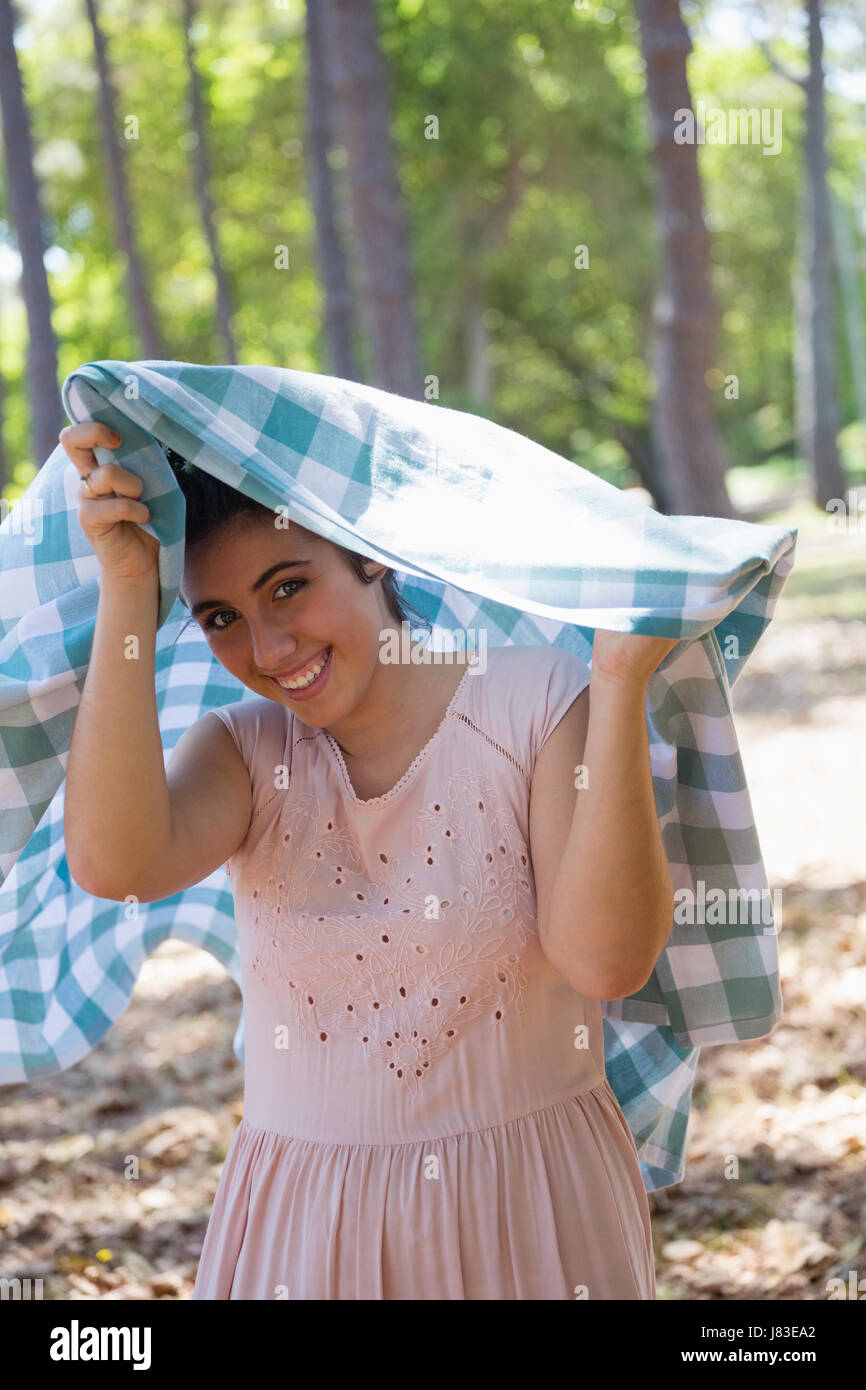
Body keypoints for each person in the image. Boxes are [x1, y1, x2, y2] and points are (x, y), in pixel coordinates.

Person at [59, 418, 677, 1301]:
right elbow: (115, 865)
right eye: (223, 618)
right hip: (306, 1225)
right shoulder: (244, 752)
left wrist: (618, 683)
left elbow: (606, 960)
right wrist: (128, 587)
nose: (269, 651)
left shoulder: (531, 700)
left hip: (527, 1210)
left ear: (372, 554)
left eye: (288, 588)